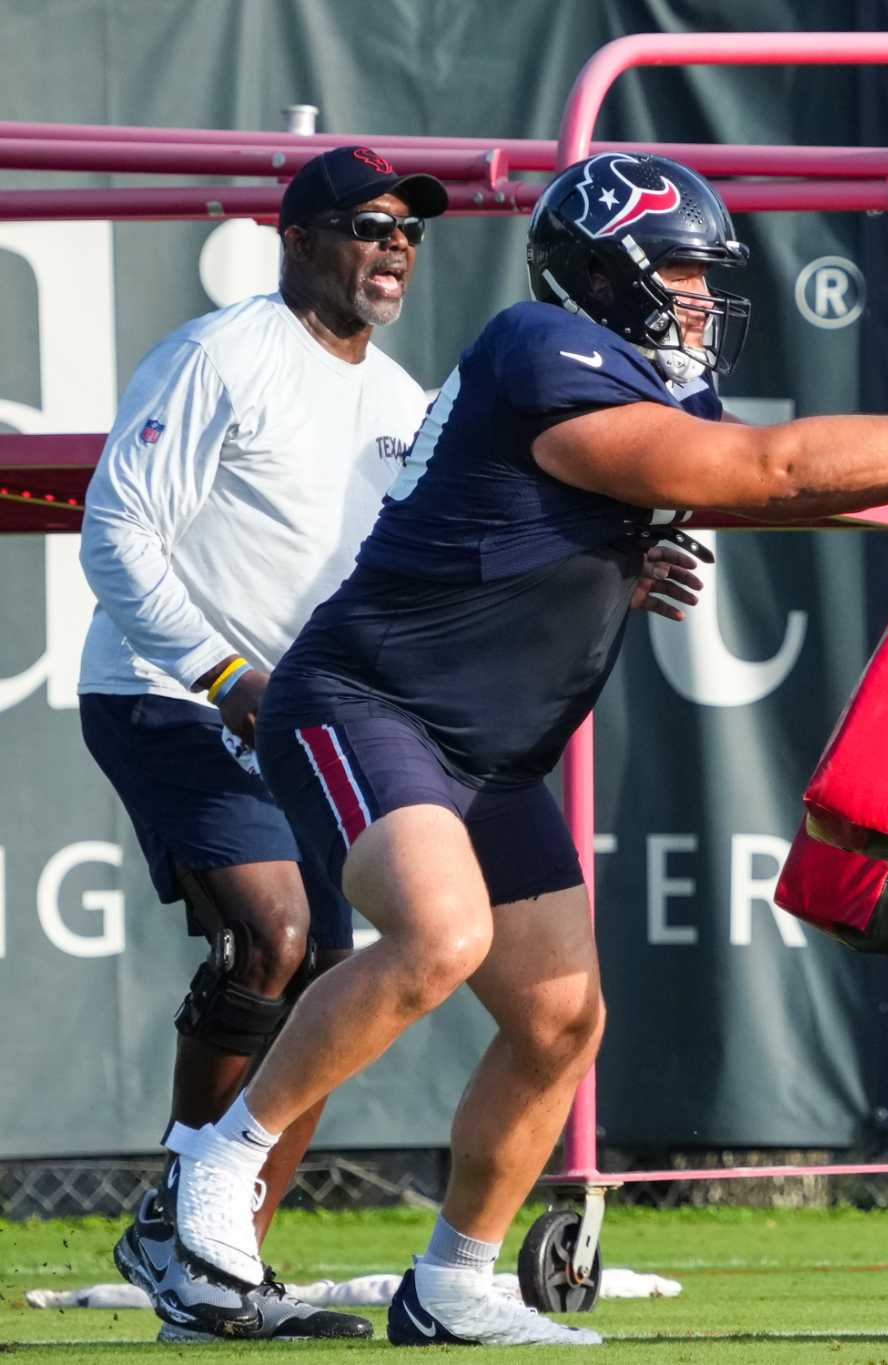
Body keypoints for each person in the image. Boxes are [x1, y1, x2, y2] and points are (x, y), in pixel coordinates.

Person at [161, 150, 888, 1348]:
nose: (701, 296)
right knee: (440, 935)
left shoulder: (621, 380)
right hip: (368, 702)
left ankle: (452, 1282)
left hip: (490, 751)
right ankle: (213, 1170)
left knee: (558, 1019)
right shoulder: (538, 346)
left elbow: (757, 491)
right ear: (603, 272)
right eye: (679, 269)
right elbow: (766, 470)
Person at [76, 144, 450, 1344]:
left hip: (299, 714)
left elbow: (460, 558)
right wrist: (226, 674)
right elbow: (115, 532)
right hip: (169, 691)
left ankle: (217, 1264)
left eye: (407, 229)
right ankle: (187, 1234)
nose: (391, 246)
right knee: (274, 932)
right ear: (295, 239)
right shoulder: (222, 353)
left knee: (334, 978)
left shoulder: (403, 404)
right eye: (365, 224)